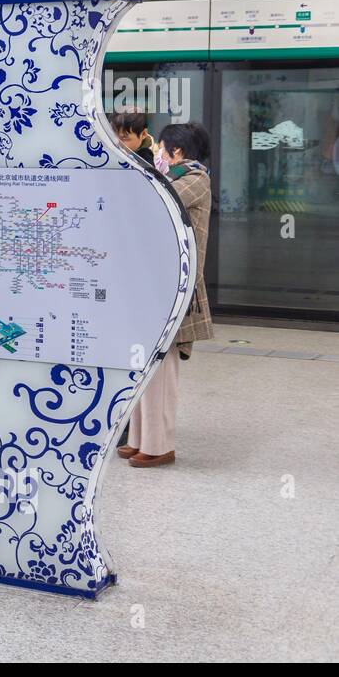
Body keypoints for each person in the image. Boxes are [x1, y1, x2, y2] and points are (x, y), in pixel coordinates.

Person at [120, 122, 213, 467]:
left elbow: (156, 203)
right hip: (158, 282)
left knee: (161, 367)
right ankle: (141, 438)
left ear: (175, 151)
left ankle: (160, 446)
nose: (157, 153)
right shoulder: (177, 177)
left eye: (160, 148)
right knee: (146, 365)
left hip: (176, 285)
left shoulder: (195, 180)